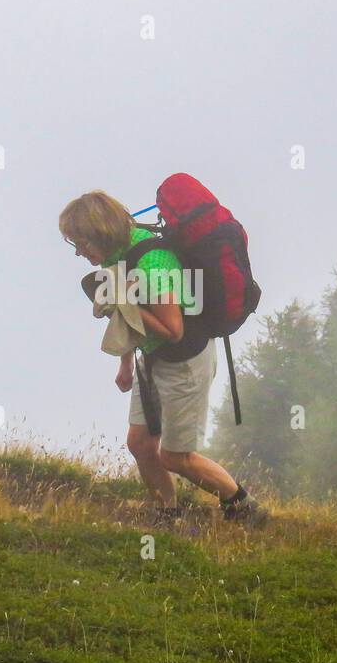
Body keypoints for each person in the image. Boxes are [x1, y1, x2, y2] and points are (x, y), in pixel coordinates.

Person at [60, 190, 267, 526]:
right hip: (153, 358)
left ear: (101, 232)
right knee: (141, 443)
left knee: (175, 456)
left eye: (82, 243)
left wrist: (124, 302)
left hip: (185, 362)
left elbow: (173, 329)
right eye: (75, 245)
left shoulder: (153, 263)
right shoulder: (117, 255)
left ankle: (242, 505)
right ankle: (167, 515)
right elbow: (129, 316)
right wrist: (126, 363)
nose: (80, 252)